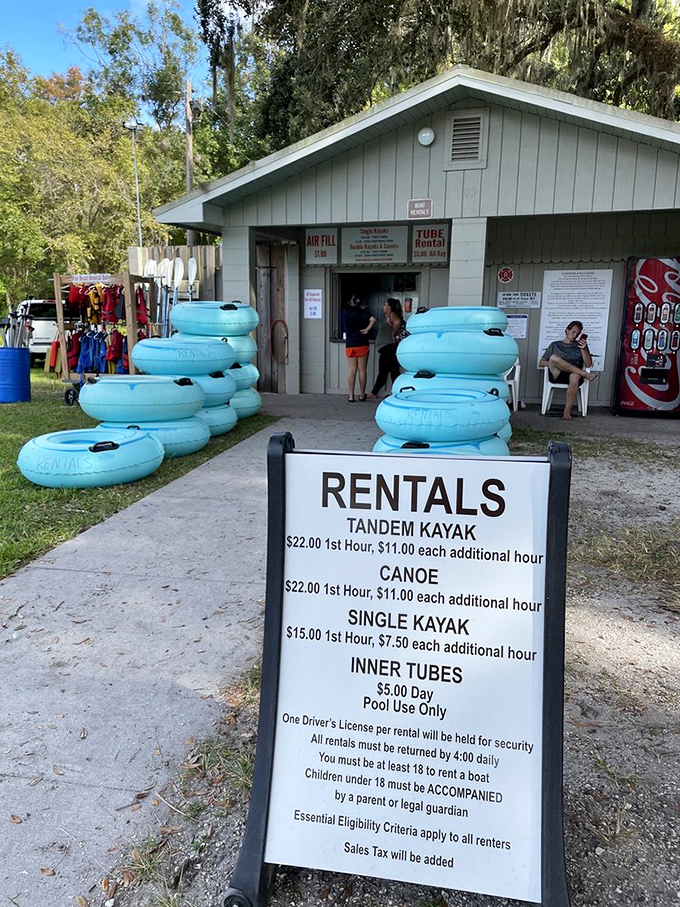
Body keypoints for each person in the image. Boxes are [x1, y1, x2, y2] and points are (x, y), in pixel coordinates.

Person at [539, 320, 596, 420]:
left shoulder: (580, 346)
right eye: (573, 332)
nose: (575, 335)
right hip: (557, 373)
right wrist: (557, 364)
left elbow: (588, 364)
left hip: (574, 375)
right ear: (566, 330)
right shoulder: (555, 345)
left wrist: (584, 349)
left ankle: (566, 413)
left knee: (575, 376)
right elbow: (541, 362)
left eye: (577, 334)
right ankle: (584, 374)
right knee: (554, 358)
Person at [368, 297, 407, 399]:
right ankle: (396, 393)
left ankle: (374, 392)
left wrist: (393, 333)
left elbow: (398, 322)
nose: (383, 306)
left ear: (390, 306)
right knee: (393, 371)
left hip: (388, 347)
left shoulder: (393, 314)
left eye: (385, 305)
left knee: (384, 371)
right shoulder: (390, 315)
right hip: (389, 348)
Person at [342, 295, 376, 402]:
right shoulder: (363, 312)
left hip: (350, 344)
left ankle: (351, 396)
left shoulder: (345, 312)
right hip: (362, 343)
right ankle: (362, 395)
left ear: (350, 302)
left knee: (352, 370)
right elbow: (373, 319)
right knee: (362, 370)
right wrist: (366, 330)